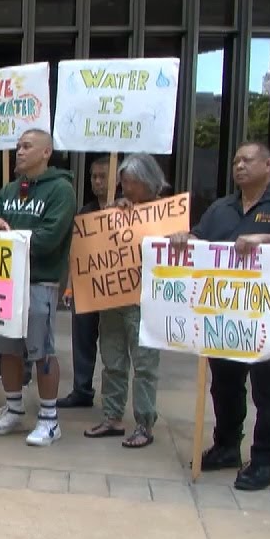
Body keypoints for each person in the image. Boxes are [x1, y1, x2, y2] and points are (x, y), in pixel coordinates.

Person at [170, 142, 270, 490]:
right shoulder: (222, 207)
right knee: (225, 385)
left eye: (247, 160)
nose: (239, 166)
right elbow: (201, 239)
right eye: (235, 160)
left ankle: (264, 459)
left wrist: (265, 239)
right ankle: (226, 446)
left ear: (269, 164)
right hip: (223, 316)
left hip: (265, 316)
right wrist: (183, 237)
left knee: (266, 388)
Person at [0, 129, 76, 447]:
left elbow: (49, 239)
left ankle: (49, 419)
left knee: (42, 352)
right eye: (18, 146)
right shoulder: (10, 190)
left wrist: (8, 231)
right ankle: (14, 410)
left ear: (46, 152)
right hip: (7, 281)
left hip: (40, 282)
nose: (19, 151)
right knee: (8, 350)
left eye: (27, 146)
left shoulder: (61, 190)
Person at [83, 154, 173, 448]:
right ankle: (112, 416)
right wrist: (112, 216)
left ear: (147, 182)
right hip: (113, 297)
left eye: (131, 182)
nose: (126, 187)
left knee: (145, 365)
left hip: (145, 302)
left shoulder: (166, 214)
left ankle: (145, 423)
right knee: (112, 360)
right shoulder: (118, 209)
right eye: (123, 182)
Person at [58, 156, 111, 408]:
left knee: (113, 345)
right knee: (82, 339)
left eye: (103, 176)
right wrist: (69, 285)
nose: (97, 181)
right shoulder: (85, 211)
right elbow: (75, 252)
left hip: (115, 288)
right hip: (86, 285)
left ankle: (113, 398)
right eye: (93, 176)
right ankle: (82, 389)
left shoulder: (126, 209)